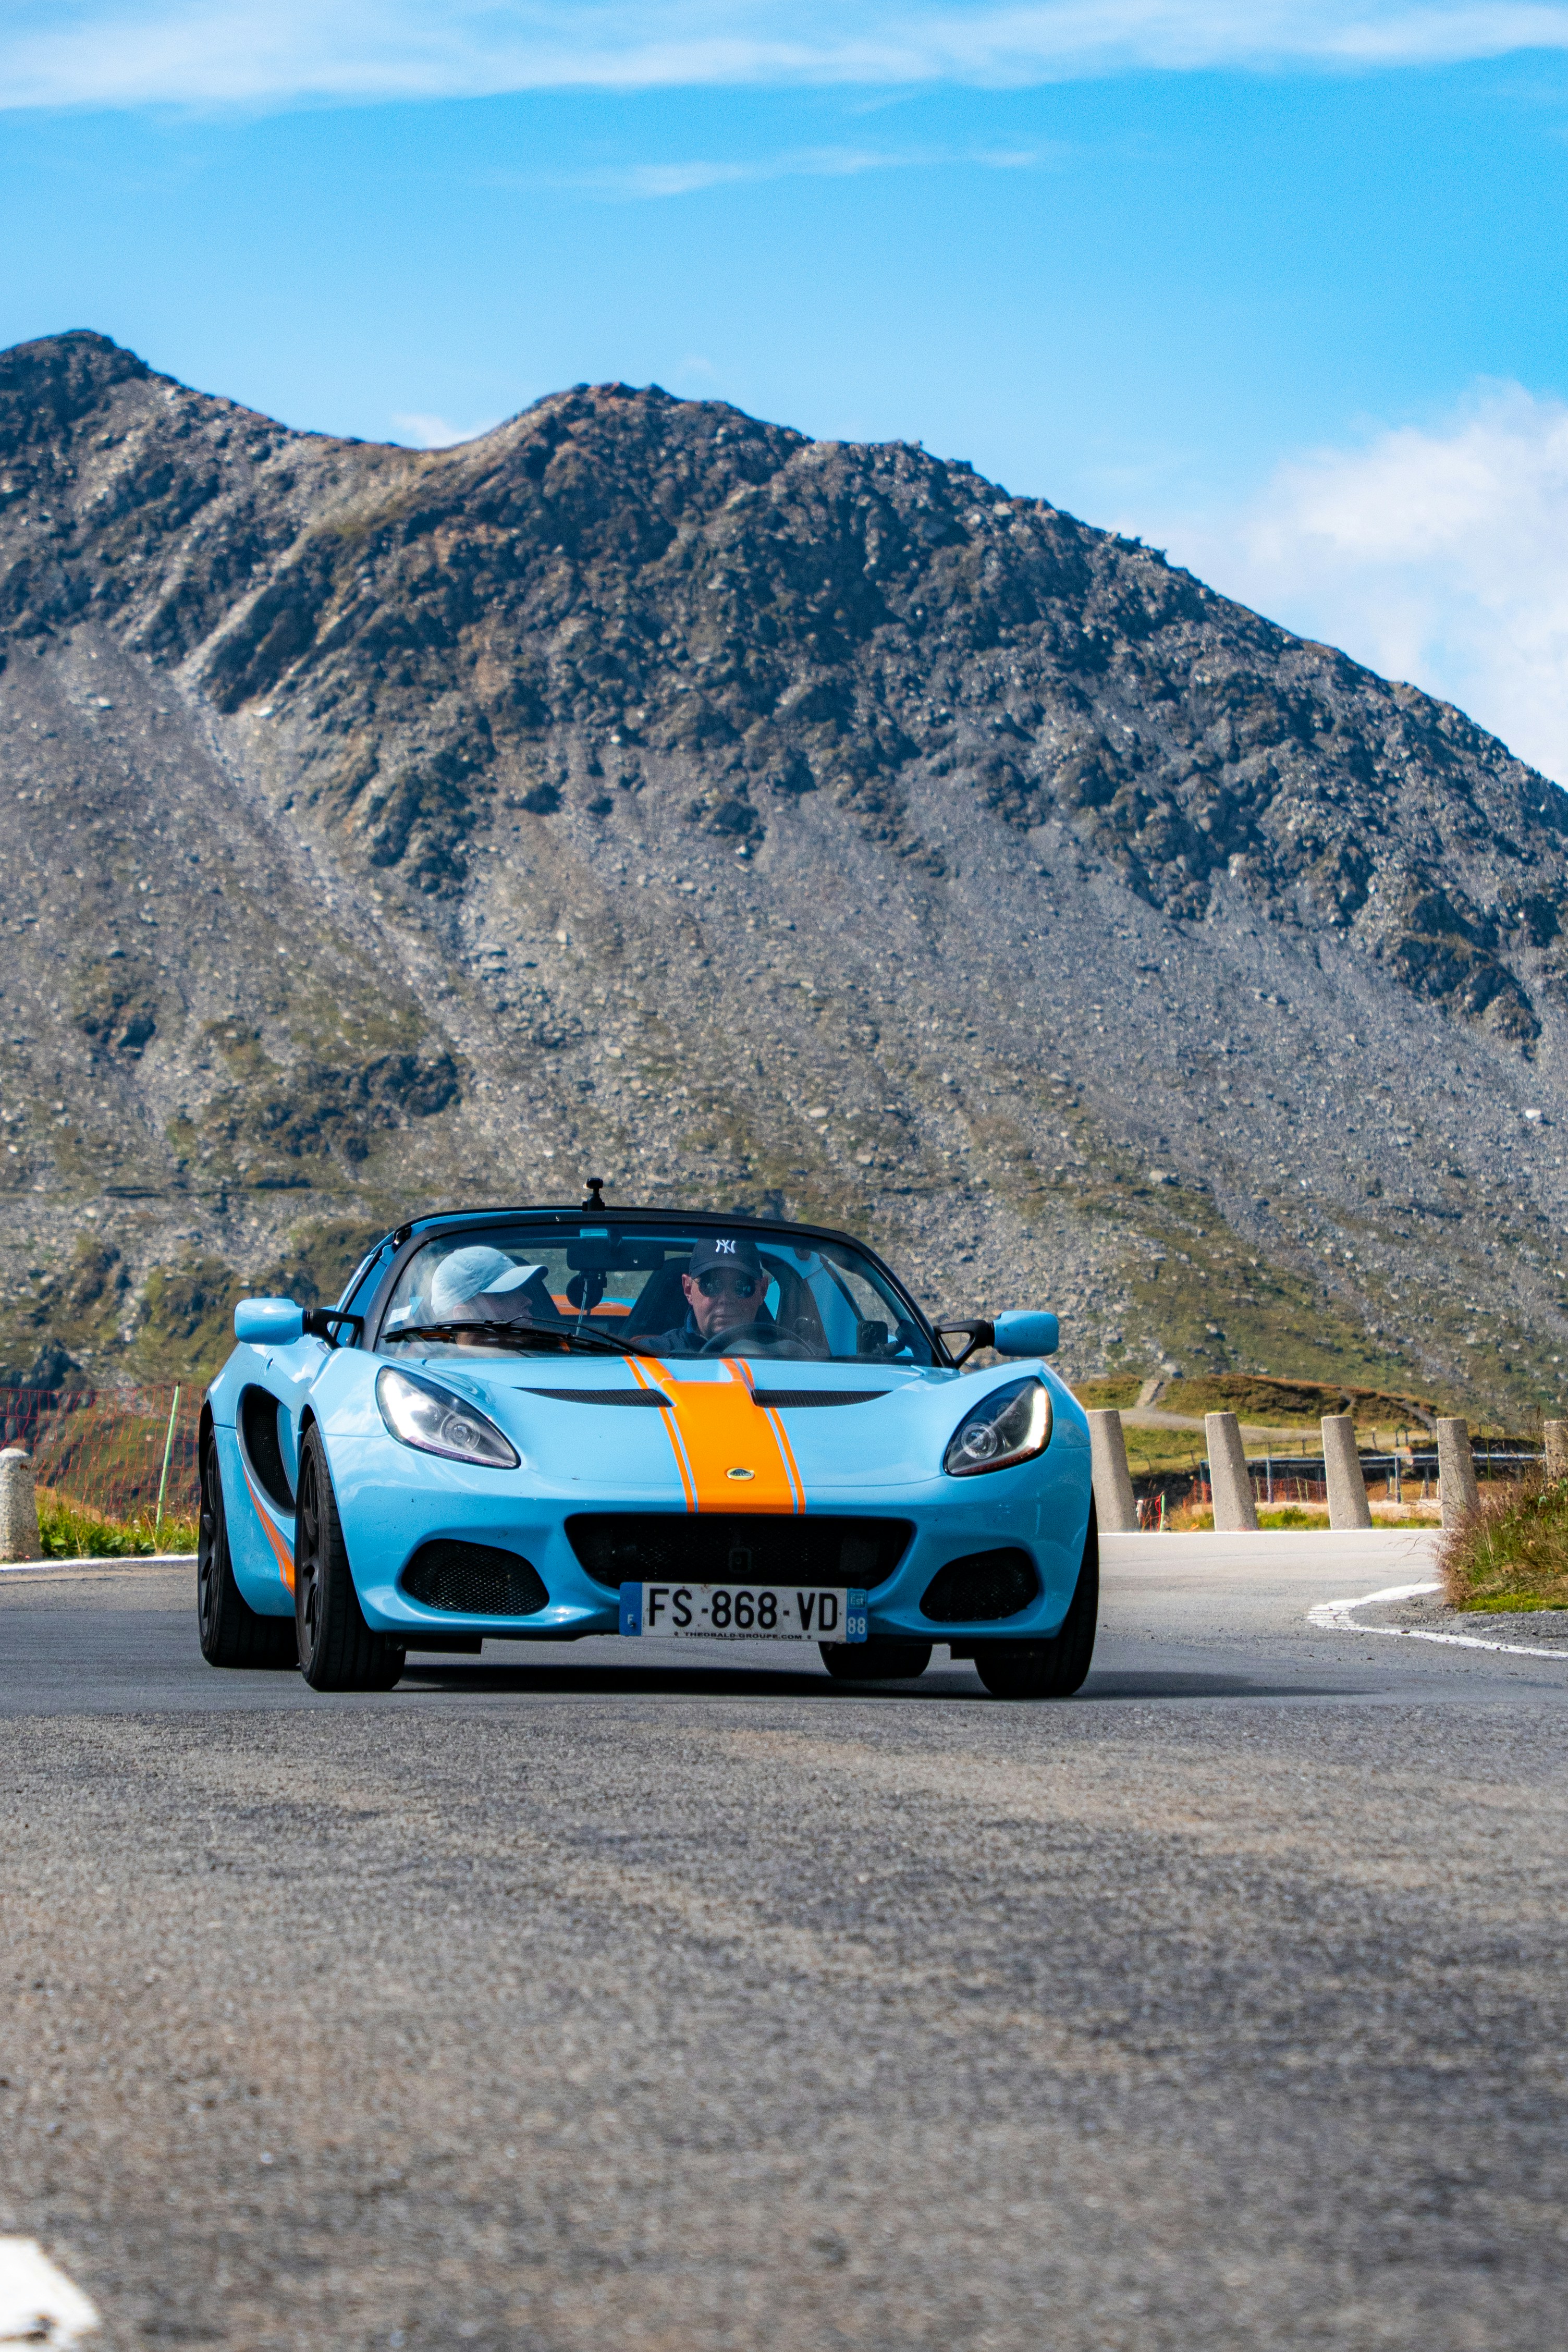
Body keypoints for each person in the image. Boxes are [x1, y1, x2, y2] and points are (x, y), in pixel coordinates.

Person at [640, 1235, 774, 1354]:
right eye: (712, 1285)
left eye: (741, 1286)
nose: (726, 1299)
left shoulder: (789, 1357)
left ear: (762, 1290)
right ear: (688, 1289)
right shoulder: (650, 1356)